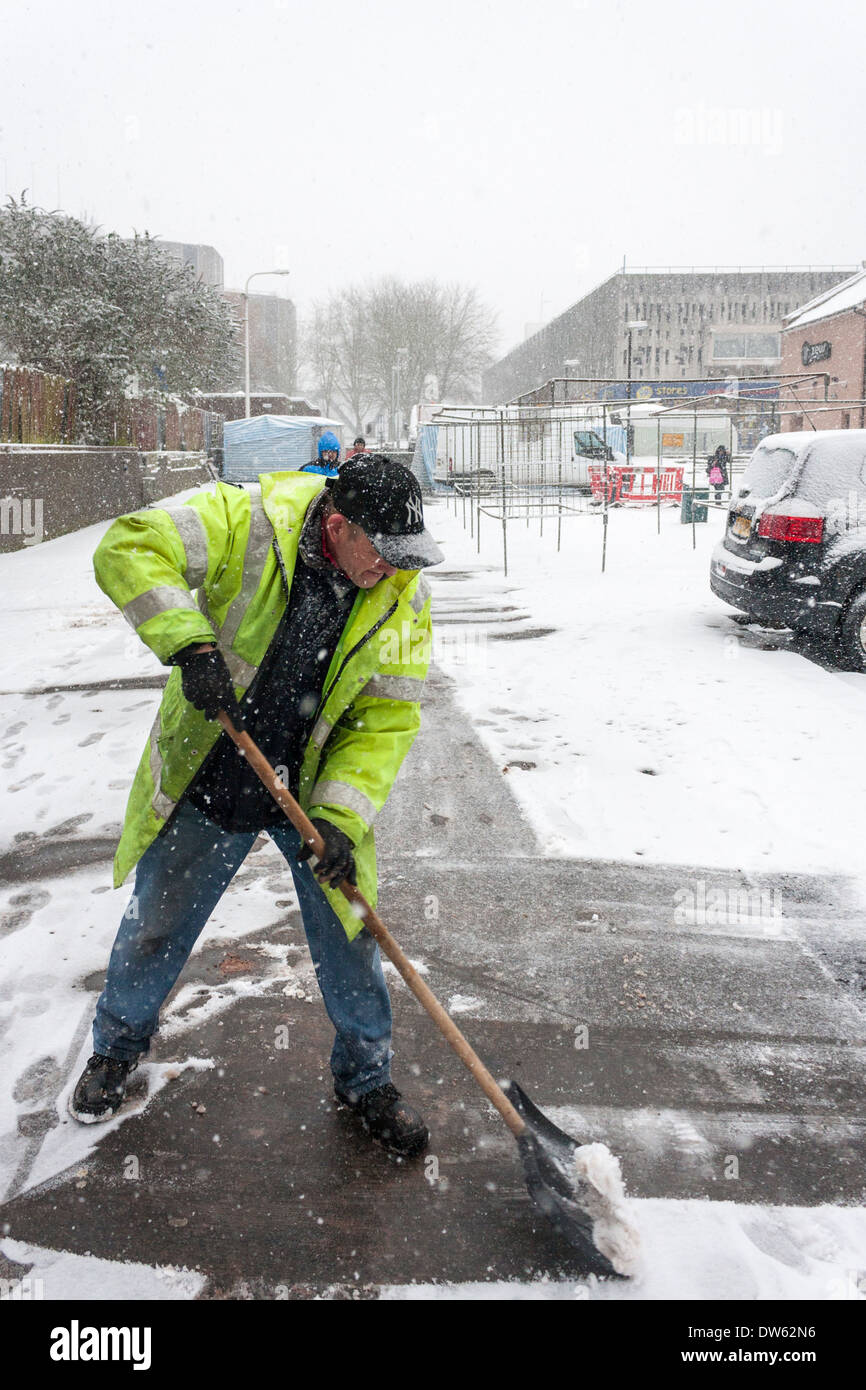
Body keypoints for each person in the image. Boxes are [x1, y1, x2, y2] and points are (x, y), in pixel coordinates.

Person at [70, 456, 444, 1158]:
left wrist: (338, 818)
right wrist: (188, 640)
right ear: (338, 526)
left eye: (406, 558)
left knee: (353, 934)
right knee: (158, 923)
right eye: (383, 553)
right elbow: (128, 544)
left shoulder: (402, 598)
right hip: (217, 768)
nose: (394, 571)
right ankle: (115, 1050)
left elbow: (385, 720)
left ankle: (367, 1081)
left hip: (309, 790)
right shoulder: (244, 525)